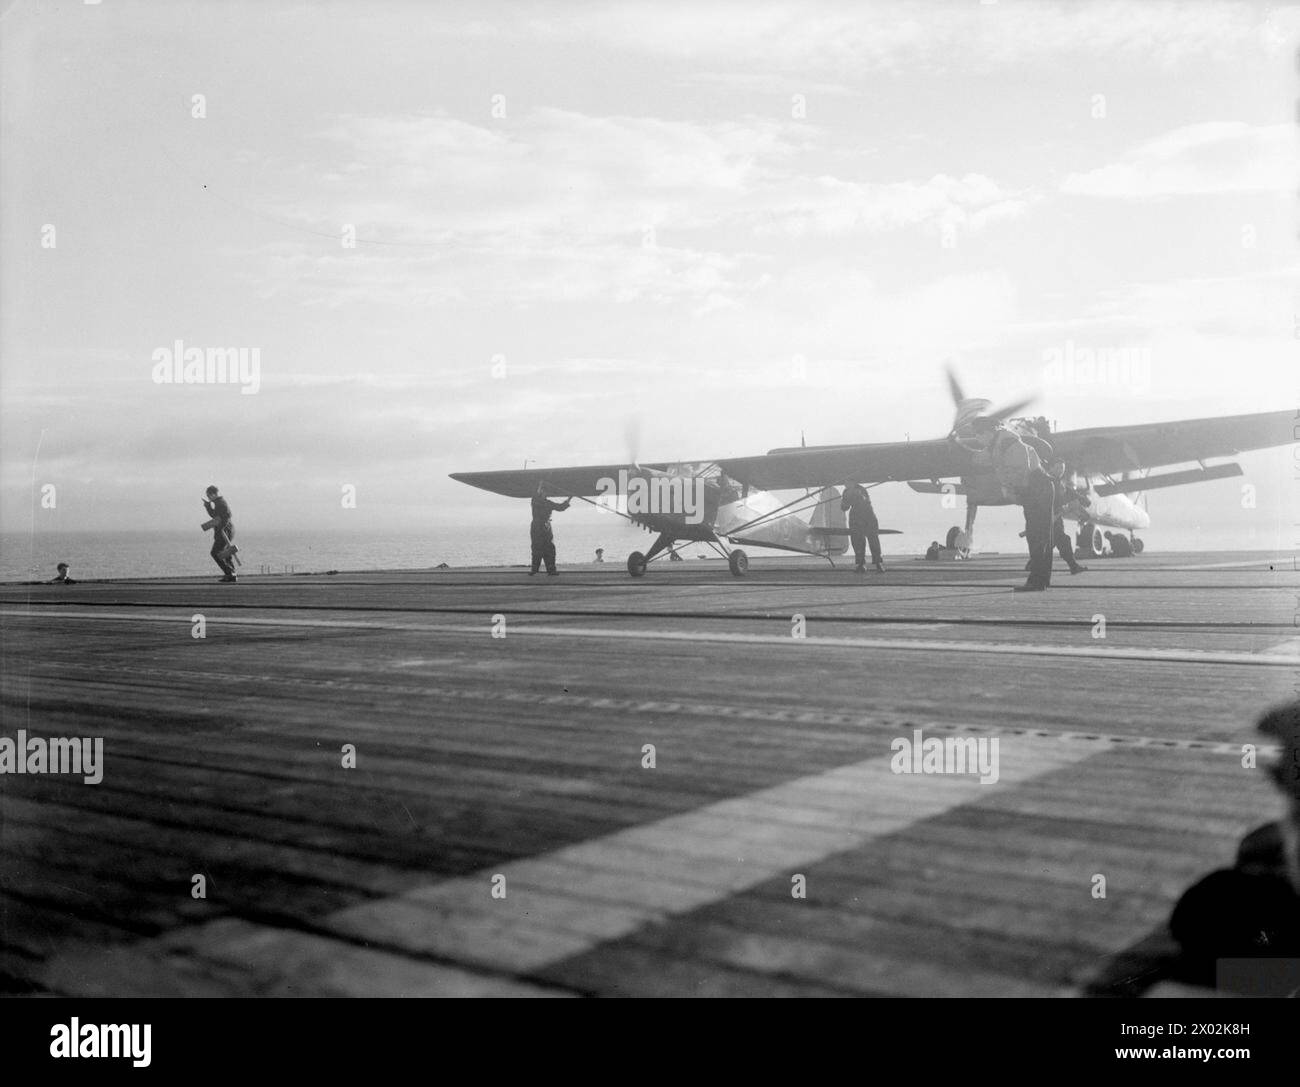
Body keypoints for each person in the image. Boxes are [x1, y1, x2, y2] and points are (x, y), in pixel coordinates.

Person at [975, 420, 1055, 591]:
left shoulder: (1008, 443)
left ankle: (1036, 581)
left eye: (978, 434)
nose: (977, 439)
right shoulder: (997, 444)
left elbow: (1022, 471)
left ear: (987, 433)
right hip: (1035, 488)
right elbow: (979, 458)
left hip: (1037, 486)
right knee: (1039, 535)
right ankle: (1042, 580)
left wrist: (1012, 491)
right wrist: (958, 446)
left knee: (1037, 535)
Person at [1047, 462, 1087, 575]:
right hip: (1049, 517)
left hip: (1056, 517)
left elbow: (1068, 491)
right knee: (1062, 540)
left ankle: (1073, 566)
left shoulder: (1059, 482)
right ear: (1051, 468)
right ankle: (1073, 566)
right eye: (1058, 467)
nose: (1061, 471)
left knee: (1054, 541)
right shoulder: (1047, 481)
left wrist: (1080, 497)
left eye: (1063, 469)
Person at [840, 482, 884, 573]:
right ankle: (862, 564)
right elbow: (844, 507)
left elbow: (863, 501)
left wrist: (849, 499)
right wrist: (845, 501)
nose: (845, 484)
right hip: (858, 516)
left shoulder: (860, 490)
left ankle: (877, 563)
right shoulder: (847, 491)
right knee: (858, 541)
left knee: (872, 539)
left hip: (866, 515)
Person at [530, 483, 571, 576]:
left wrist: (569, 499)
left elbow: (560, 507)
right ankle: (535, 569)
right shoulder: (535, 501)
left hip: (545, 527)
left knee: (549, 549)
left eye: (546, 492)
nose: (545, 494)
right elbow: (537, 495)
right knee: (537, 548)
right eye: (543, 492)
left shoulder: (547, 502)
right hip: (537, 527)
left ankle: (550, 570)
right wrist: (540, 485)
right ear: (541, 492)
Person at [202, 485, 238, 583]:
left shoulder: (221, 503)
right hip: (228, 531)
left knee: (215, 553)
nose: (208, 497)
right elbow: (215, 515)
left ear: (213, 494)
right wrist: (208, 506)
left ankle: (229, 572)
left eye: (209, 495)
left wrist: (220, 529)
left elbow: (226, 516)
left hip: (225, 531)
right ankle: (232, 574)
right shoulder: (218, 503)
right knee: (225, 553)